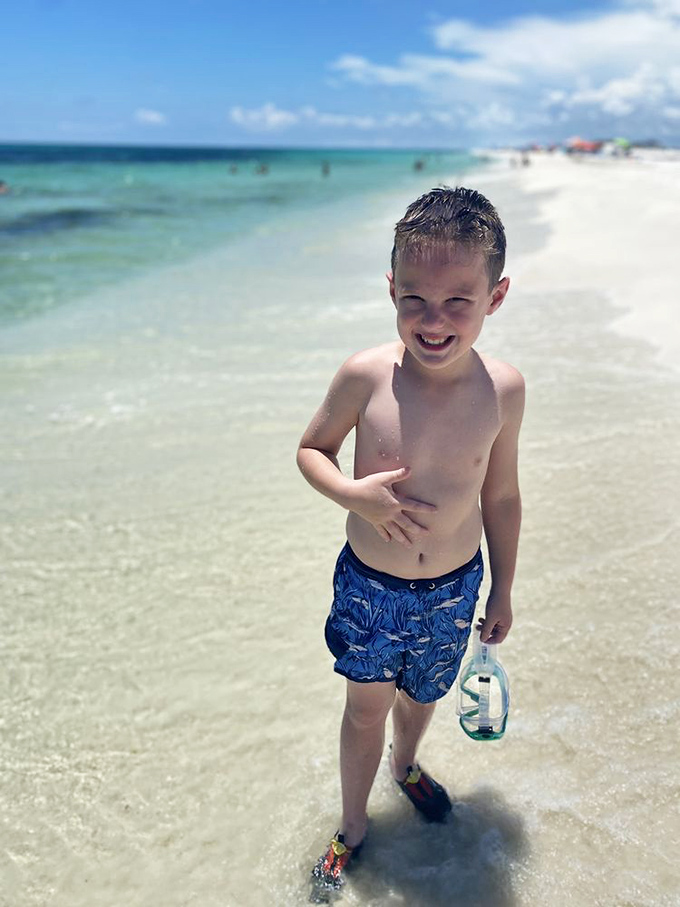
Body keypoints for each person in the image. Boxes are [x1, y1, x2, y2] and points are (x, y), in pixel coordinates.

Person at [297, 186, 524, 901]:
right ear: (391, 288)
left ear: (495, 295)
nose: (433, 320)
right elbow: (312, 450)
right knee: (364, 703)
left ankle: (407, 763)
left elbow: (502, 495)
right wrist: (351, 495)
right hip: (371, 583)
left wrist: (504, 587)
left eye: (458, 300)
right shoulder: (367, 375)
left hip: (455, 587)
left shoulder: (504, 390)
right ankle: (355, 822)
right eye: (414, 299)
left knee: (422, 692)